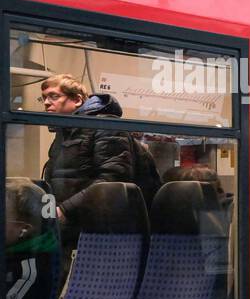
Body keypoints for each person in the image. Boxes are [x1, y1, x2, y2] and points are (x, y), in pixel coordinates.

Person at [39, 74, 161, 229]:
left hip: (103, 225)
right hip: (72, 223)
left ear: (77, 100)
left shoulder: (105, 127)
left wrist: (65, 210)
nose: (46, 103)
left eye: (54, 96)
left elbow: (111, 179)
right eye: (43, 98)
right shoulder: (65, 133)